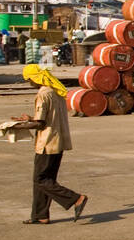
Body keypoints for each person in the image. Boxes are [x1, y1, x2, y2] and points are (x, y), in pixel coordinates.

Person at [13, 64, 87, 225]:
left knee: (41, 179)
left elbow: (40, 123)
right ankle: (40, 215)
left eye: (29, 80)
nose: (29, 83)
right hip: (58, 141)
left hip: (47, 142)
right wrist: (29, 119)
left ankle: (76, 199)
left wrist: (17, 127)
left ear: (34, 78)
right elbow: (48, 118)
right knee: (46, 179)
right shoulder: (55, 91)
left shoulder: (43, 94)